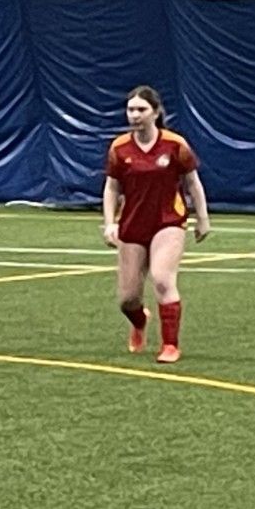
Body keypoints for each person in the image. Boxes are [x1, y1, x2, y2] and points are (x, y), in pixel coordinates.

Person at [103, 86, 211, 364]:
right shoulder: (119, 148)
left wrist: (202, 218)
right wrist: (109, 223)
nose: (135, 115)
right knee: (127, 299)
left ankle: (170, 345)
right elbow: (112, 188)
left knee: (163, 279)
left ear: (156, 112)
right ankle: (139, 321)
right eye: (130, 110)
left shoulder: (175, 145)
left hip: (168, 221)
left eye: (141, 110)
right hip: (132, 224)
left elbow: (192, 183)